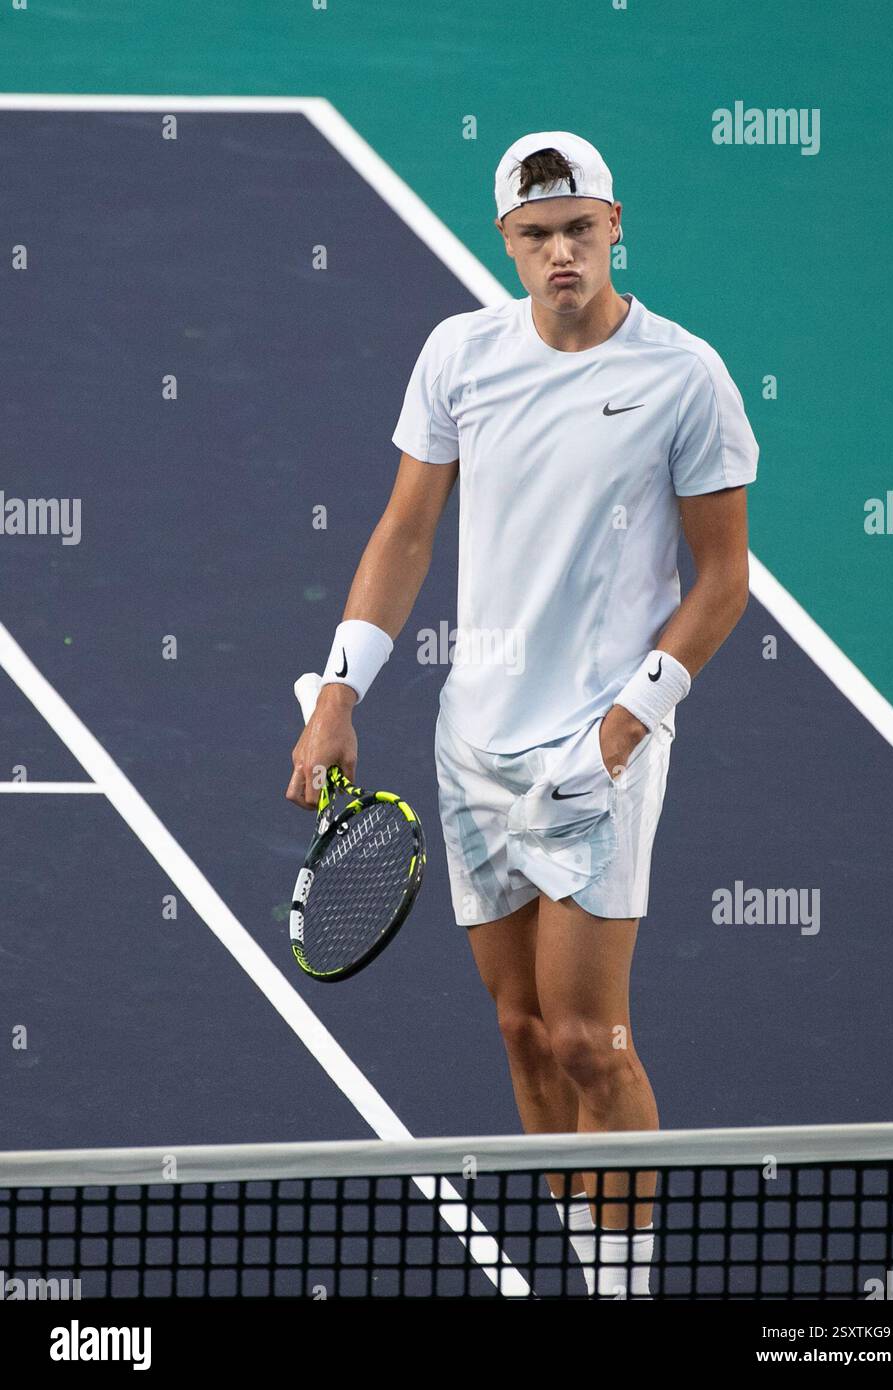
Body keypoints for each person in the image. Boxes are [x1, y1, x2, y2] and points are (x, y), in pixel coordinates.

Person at [286, 131, 758, 1297]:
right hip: (473, 749)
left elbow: (720, 581)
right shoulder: (458, 357)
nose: (561, 252)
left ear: (613, 226)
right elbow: (404, 532)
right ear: (505, 241)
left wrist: (620, 731)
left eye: (580, 229)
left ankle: (623, 1290)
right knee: (520, 1032)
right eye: (537, 235)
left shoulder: (682, 376)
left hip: (598, 751)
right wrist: (339, 690)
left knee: (590, 1042)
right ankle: (584, 1261)